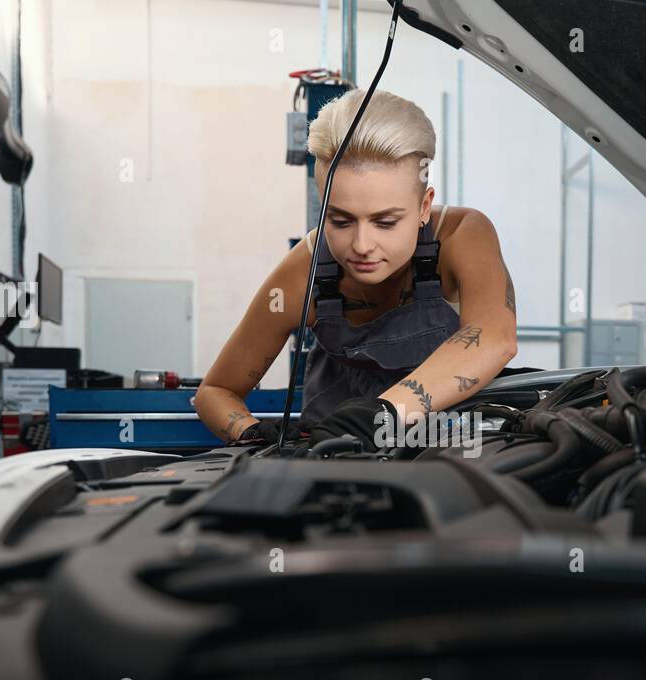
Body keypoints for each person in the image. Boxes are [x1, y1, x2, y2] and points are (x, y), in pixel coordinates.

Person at [193, 88, 519, 451]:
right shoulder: (304, 274)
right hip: (333, 462)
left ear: (424, 206)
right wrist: (249, 431)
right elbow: (215, 390)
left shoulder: (462, 236)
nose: (362, 245)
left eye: (386, 222)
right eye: (341, 220)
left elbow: (494, 338)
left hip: (453, 456)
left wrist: (383, 413)